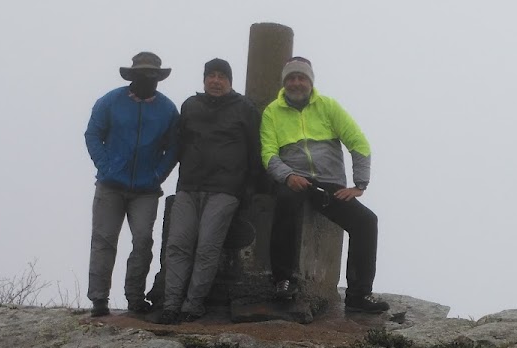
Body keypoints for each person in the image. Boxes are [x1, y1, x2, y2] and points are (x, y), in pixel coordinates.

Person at [260, 56, 389, 314]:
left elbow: (359, 143)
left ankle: (358, 295)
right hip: (293, 179)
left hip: (328, 184)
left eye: (302, 78)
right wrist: (287, 176)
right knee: (284, 205)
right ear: (284, 83)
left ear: (310, 81)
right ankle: (282, 281)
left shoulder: (328, 106)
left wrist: (359, 184)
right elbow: (268, 154)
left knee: (366, 222)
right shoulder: (272, 111)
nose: (297, 83)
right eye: (291, 79)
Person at [154, 59, 261, 325]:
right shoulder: (191, 106)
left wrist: (251, 188)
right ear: (204, 80)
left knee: (207, 248)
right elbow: (179, 143)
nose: (215, 81)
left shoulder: (244, 108)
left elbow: (255, 150)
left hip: (225, 189)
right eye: (211, 76)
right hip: (189, 186)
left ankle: (193, 305)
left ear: (230, 81)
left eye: (221, 76)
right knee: (178, 245)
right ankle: (170, 306)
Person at [83, 52, 179, 317]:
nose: (147, 79)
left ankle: (135, 298)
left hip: (146, 190)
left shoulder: (168, 110)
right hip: (110, 186)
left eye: (152, 75)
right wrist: (106, 167)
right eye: (142, 74)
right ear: (132, 76)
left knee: (142, 241)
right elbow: (92, 134)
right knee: (103, 240)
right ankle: (99, 299)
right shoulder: (109, 102)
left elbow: (173, 148)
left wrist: (158, 175)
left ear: (159, 78)